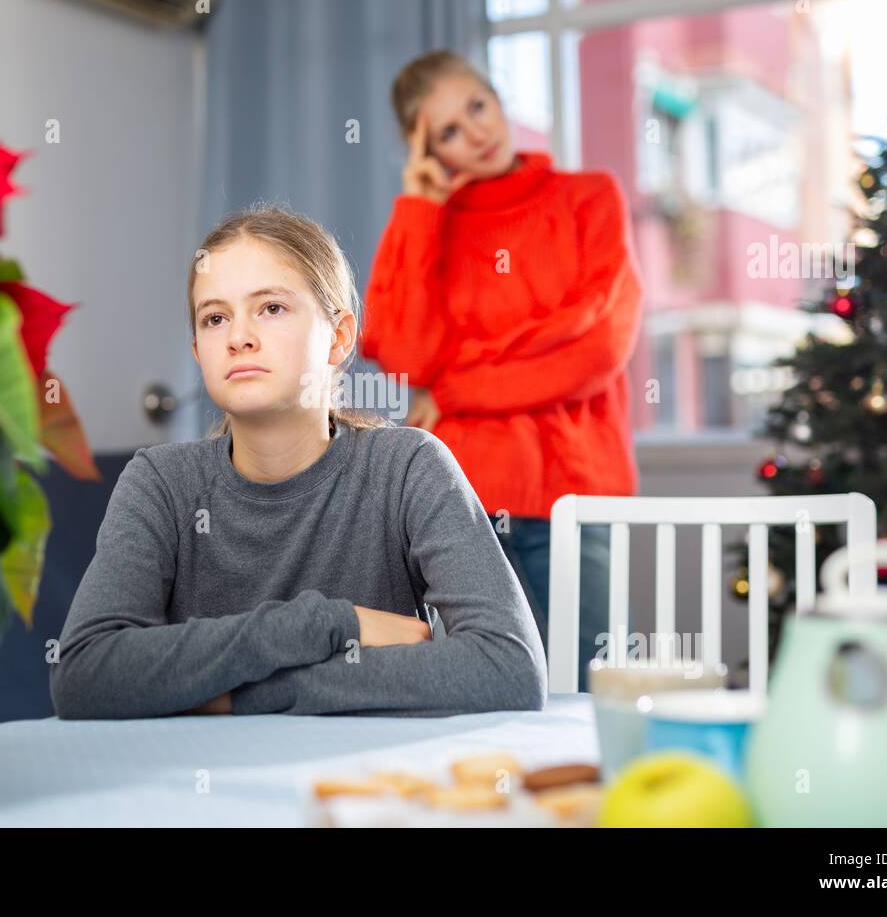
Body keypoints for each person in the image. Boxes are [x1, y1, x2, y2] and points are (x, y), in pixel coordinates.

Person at [50, 203, 546, 719]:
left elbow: (510, 666)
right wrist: (329, 624)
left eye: (271, 308)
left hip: (366, 786)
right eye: (216, 318)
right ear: (198, 351)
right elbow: (84, 674)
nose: (239, 336)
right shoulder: (160, 483)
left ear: (339, 336)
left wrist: (241, 696)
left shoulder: (408, 468)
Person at [361, 49, 642, 691]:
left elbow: (595, 351)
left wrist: (458, 384)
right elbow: (404, 354)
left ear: (499, 98)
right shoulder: (431, 225)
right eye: (448, 132)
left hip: (578, 496)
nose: (477, 134)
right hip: (465, 506)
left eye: (478, 108)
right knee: (482, 704)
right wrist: (418, 208)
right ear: (422, 149)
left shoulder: (588, 197)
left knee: (603, 692)